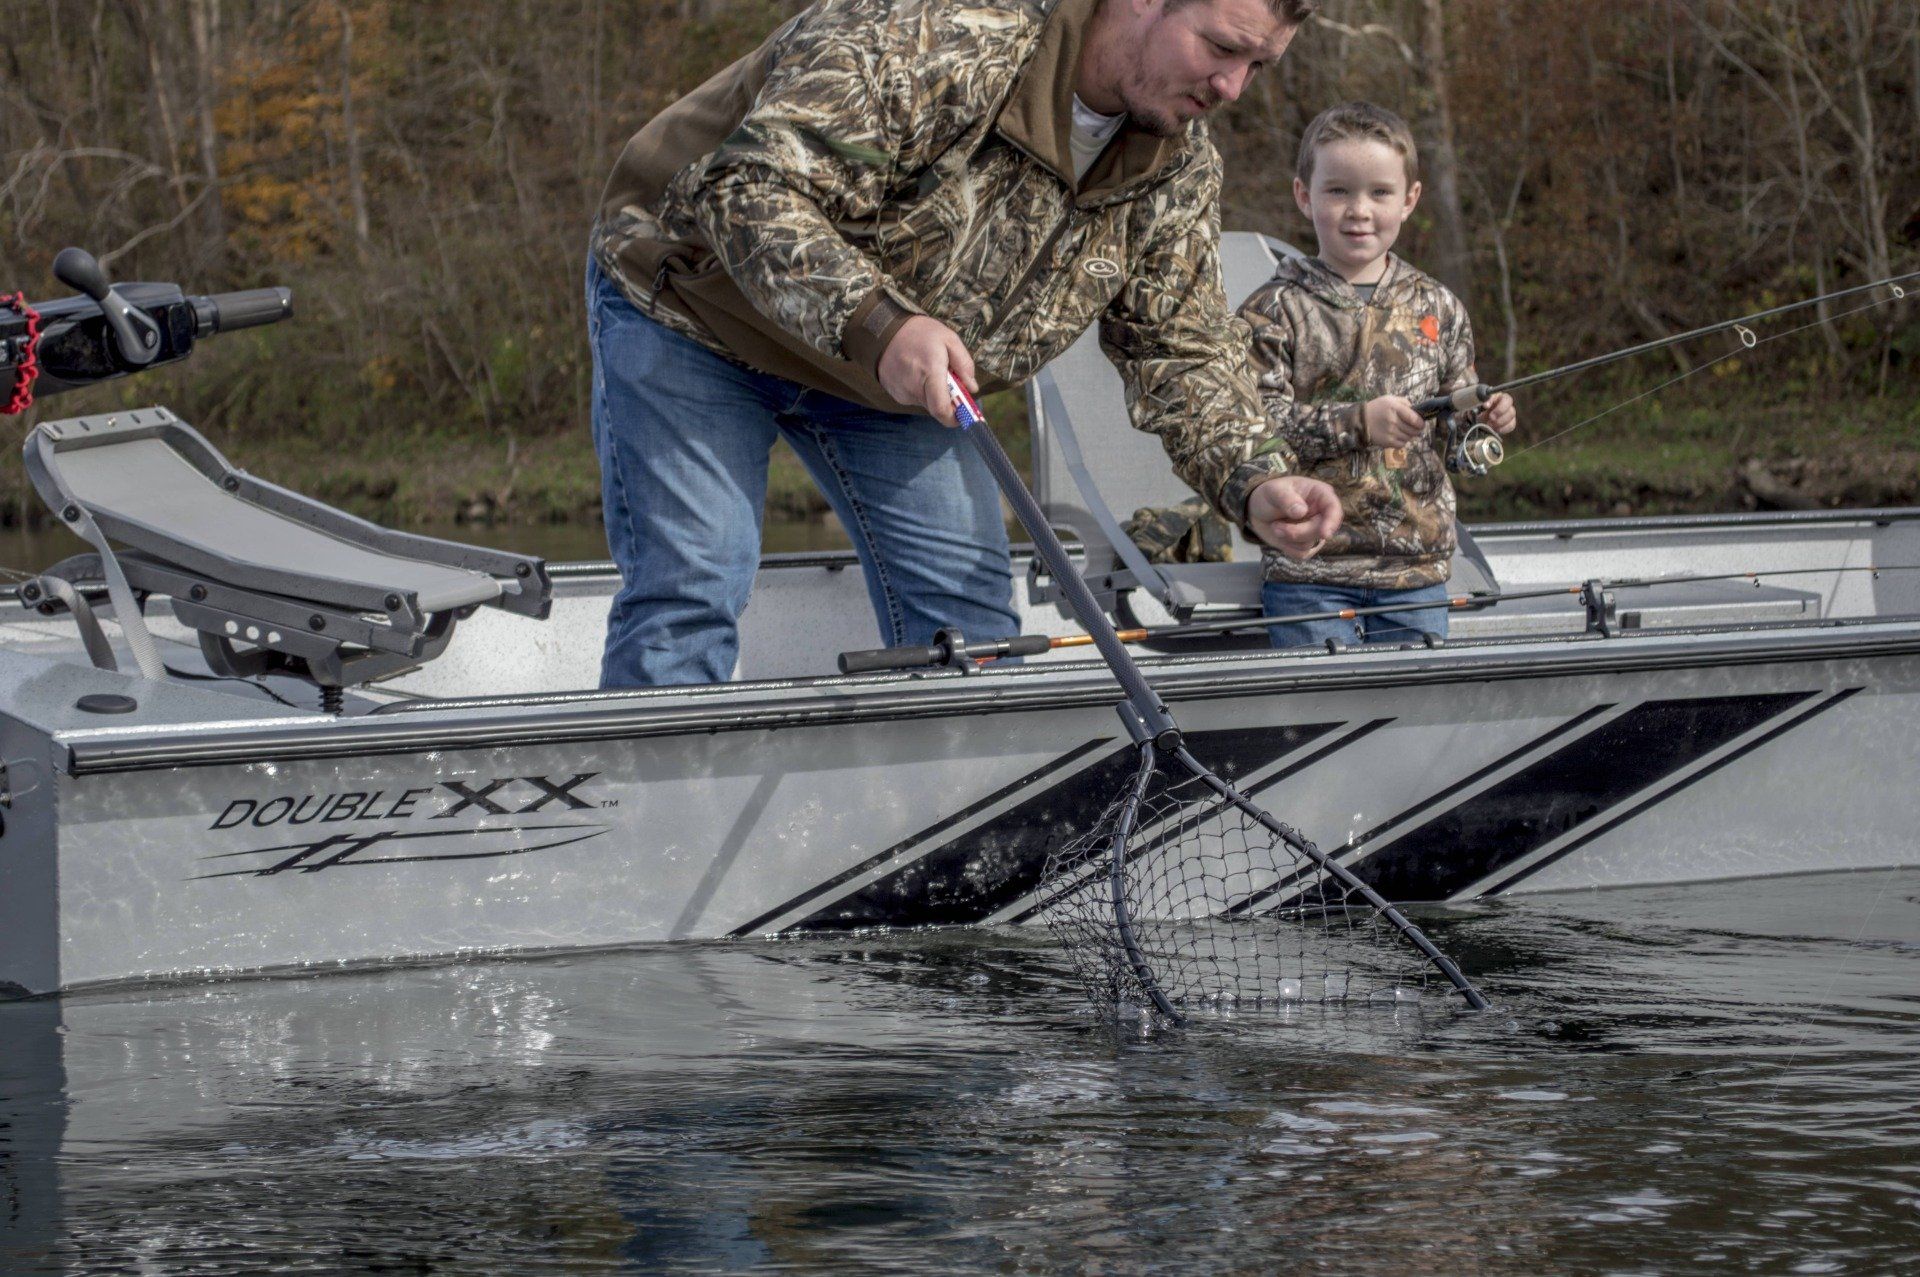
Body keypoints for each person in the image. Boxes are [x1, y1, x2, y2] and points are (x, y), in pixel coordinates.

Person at [586, 0, 1342, 687]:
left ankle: (943, 828)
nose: (1233, 87)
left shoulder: (1178, 167)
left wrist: (1253, 478)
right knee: (693, 583)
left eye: (1258, 67)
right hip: (695, 309)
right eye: (1221, 47)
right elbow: (749, 189)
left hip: (891, 382)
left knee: (976, 634)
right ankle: (649, 830)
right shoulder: (931, 32)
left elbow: (1182, 345)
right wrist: (884, 324)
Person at [1238, 101, 1518, 650]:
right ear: (1304, 196)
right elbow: (1251, 430)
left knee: (1411, 722)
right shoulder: (1272, 309)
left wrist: (1482, 423)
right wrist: (1357, 422)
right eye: (1338, 190)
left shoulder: (1440, 306)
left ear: (1410, 200)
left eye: (1379, 193)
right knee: (1315, 721)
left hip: (1416, 575)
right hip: (1309, 575)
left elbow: (1458, 446)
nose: (1359, 210)